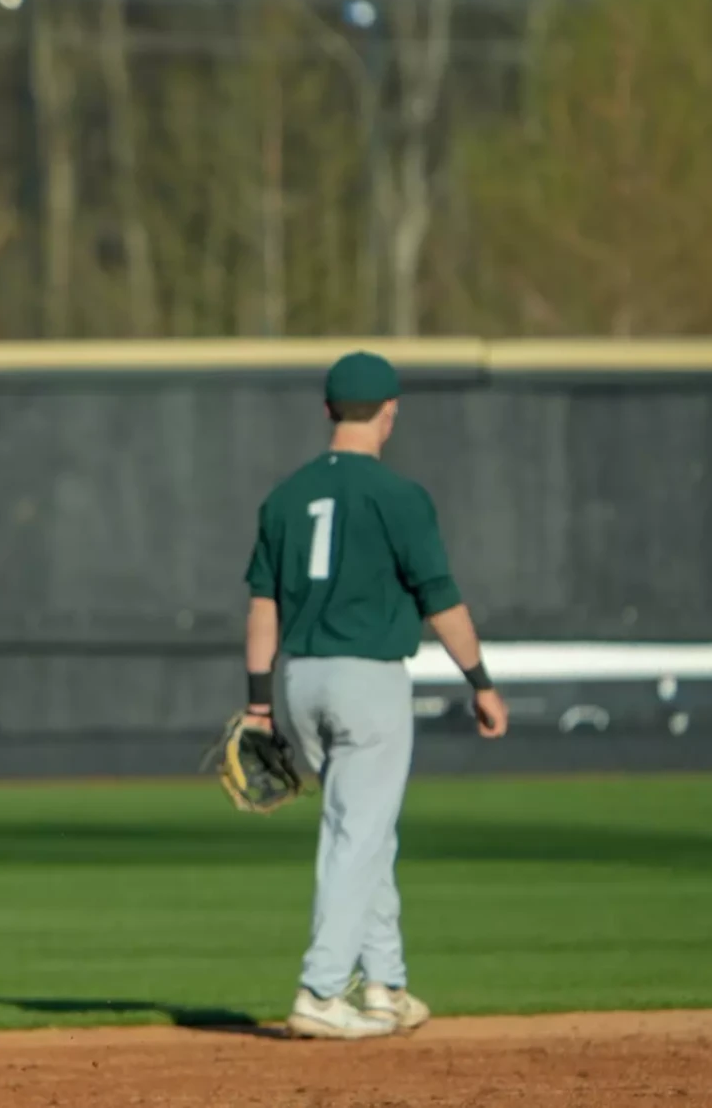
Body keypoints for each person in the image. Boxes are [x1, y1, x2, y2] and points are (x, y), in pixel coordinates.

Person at [240, 351, 509, 1041]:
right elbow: (440, 600)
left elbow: (263, 604)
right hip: (367, 681)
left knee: (367, 831)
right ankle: (322, 990)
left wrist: (260, 702)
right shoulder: (400, 497)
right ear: (390, 413)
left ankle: (385, 986)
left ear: (328, 410)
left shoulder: (286, 496)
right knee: (356, 835)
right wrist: (479, 681)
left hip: (299, 679)